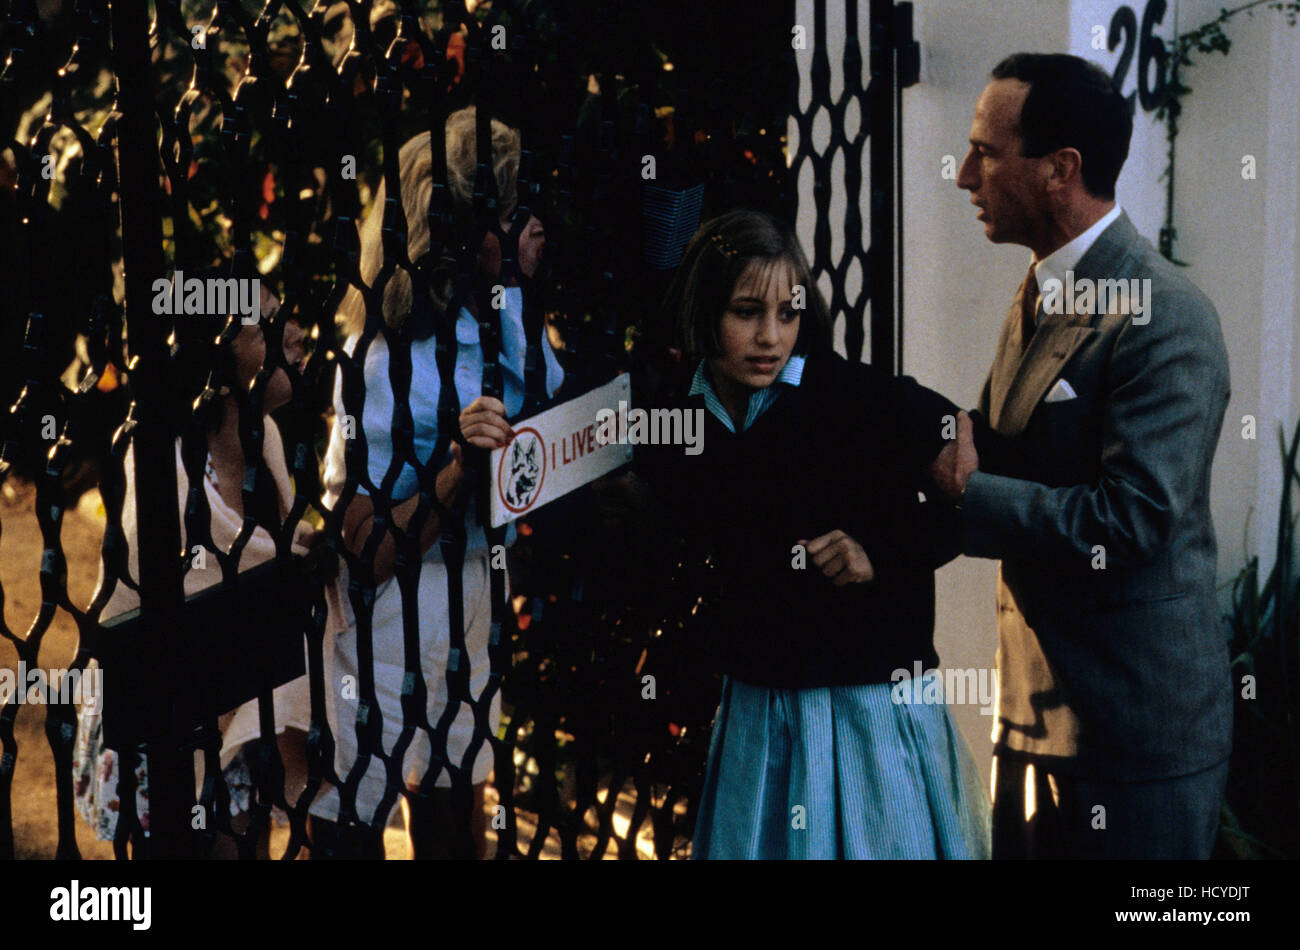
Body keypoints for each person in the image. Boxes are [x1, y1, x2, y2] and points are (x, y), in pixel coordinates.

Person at [929, 52, 1232, 859]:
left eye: (987, 153)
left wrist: (975, 490)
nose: (964, 176)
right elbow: (1005, 451)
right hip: (1036, 721)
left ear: (1062, 168)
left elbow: (1133, 519)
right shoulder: (1040, 287)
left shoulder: (1166, 315)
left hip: (1135, 745)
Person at [629, 209, 989, 859]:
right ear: (703, 308)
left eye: (788, 313)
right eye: (746, 312)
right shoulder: (679, 420)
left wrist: (881, 551)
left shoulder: (853, 397)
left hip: (866, 709)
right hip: (759, 712)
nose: (770, 336)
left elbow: (972, 488)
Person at [310, 105, 561, 859]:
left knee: (458, 803)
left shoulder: (496, 315)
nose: (527, 224)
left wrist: (521, 285)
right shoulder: (381, 358)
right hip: (391, 617)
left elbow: (550, 402)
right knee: (356, 807)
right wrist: (457, 468)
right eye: (507, 213)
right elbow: (363, 542)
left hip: (469, 602)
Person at [72, 285, 313, 857]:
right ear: (217, 370)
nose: (296, 336)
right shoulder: (166, 471)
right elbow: (144, 625)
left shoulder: (266, 437)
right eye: (266, 328)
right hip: (164, 723)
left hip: (246, 709)